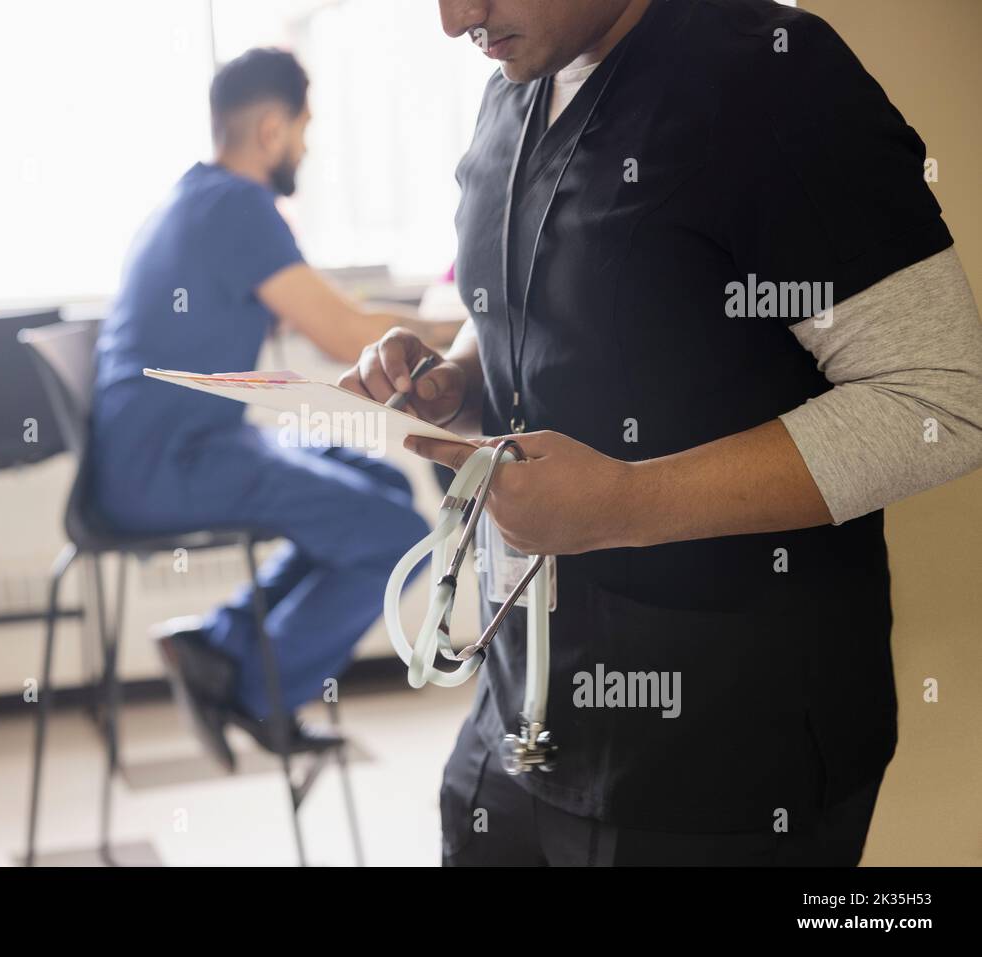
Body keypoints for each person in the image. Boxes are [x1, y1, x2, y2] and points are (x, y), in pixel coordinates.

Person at [342, 0, 982, 865]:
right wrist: (456, 377)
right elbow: (539, 307)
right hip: (519, 715)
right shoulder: (515, 85)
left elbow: (941, 399)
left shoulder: (769, 77)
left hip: (718, 758)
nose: (456, 20)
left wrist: (625, 504)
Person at [91, 48, 430, 770]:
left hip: (171, 448)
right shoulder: (239, 206)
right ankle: (255, 688)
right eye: (304, 129)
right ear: (272, 130)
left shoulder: (193, 200)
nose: (306, 147)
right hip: (169, 463)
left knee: (390, 490)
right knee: (402, 535)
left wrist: (430, 321)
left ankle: (215, 645)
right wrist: (464, 331)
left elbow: (329, 309)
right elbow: (339, 331)